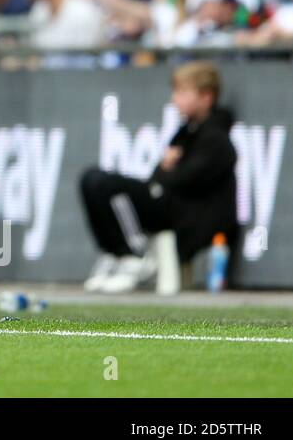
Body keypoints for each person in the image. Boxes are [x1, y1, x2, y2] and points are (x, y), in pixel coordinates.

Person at [79, 61, 239, 293]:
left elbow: (184, 181)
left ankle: (134, 257)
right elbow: (161, 177)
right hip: (172, 206)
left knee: (106, 185)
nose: (175, 99)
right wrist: (165, 169)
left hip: (190, 219)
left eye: (183, 92)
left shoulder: (216, 139)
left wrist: (166, 169)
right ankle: (118, 254)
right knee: (93, 180)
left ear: (206, 97)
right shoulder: (186, 132)